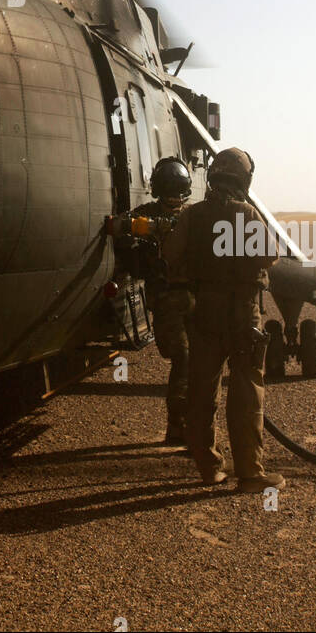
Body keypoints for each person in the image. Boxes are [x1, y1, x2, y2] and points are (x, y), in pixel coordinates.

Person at [166, 147, 286, 493]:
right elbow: (270, 255)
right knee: (246, 392)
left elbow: (170, 255)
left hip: (204, 311)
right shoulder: (247, 213)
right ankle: (250, 473)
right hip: (243, 312)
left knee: (202, 391)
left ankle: (210, 468)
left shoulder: (192, 215)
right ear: (244, 179)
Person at [124, 156, 194, 445]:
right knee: (184, 358)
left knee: (194, 361)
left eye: (177, 193)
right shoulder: (146, 215)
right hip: (166, 298)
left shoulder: (193, 215)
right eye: (170, 192)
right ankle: (179, 426)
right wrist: (151, 228)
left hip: (193, 298)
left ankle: (187, 425)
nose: (174, 199)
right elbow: (117, 226)